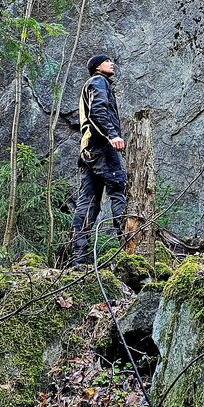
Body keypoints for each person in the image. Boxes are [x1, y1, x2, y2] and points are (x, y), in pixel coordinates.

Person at [71, 54, 127, 266]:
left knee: (88, 201)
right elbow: (97, 111)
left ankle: (79, 258)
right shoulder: (98, 81)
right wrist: (112, 135)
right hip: (102, 147)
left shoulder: (91, 84)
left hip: (88, 150)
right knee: (118, 190)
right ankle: (128, 249)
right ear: (97, 67)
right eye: (107, 61)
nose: (111, 63)